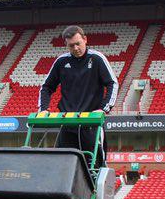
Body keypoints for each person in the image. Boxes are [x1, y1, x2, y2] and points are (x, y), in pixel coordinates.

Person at [38, 25, 118, 168]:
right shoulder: (61, 61)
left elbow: (112, 83)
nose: (75, 48)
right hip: (67, 123)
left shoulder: (97, 58)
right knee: (62, 166)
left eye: (78, 44)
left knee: (95, 167)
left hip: (91, 124)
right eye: (71, 45)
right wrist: (43, 109)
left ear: (85, 39)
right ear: (66, 45)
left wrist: (104, 109)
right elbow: (46, 87)